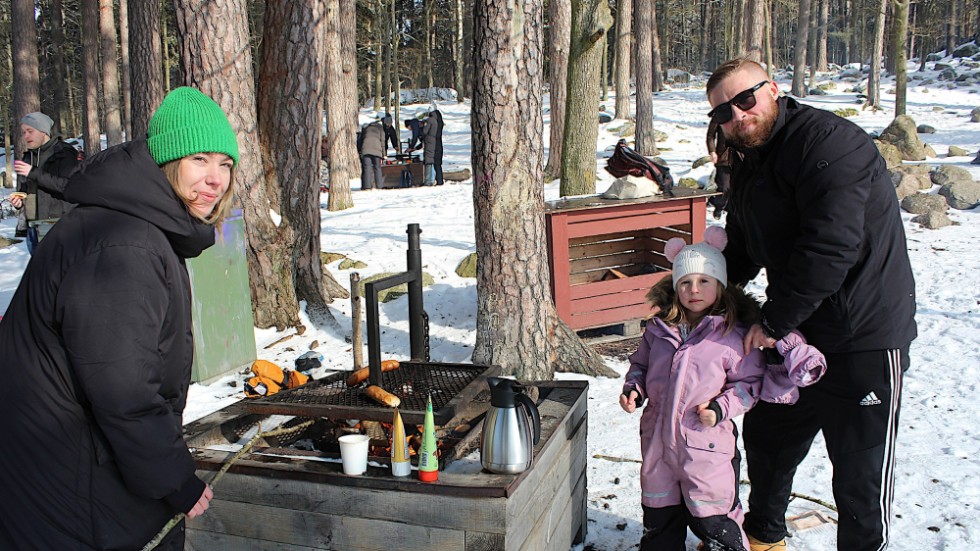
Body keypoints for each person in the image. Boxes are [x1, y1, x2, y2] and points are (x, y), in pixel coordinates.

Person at [0, 86, 239, 550]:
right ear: (168, 163)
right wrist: (175, 481)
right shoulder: (122, 244)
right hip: (69, 478)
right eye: (199, 160)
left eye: (225, 164)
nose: (216, 178)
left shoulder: (133, 227)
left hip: (78, 463)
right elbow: (122, 389)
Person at [705, 58, 917, 551]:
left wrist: (776, 320)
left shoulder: (828, 143)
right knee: (769, 442)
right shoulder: (749, 160)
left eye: (745, 99)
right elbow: (742, 246)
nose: (736, 115)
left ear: (773, 89)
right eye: (722, 113)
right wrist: (700, 293)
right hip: (798, 334)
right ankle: (764, 539)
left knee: (858, 473)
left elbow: (831, 246)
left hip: (862, 334)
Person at [620, 226, 767, 551]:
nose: (694, 289)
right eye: (685, 282)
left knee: (712, 522)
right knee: (660, 521)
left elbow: (750, 384)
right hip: (658, 446)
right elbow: (641, 366)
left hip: (706, 449)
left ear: (720, 285)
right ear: (675, 287)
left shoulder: (732, 336)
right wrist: (634, 388)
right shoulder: (659, 331)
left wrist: (721, 408)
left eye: (704, 281)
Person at [9, 111, 81, 254]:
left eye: (30, 131)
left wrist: (33, 172)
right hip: (32, 228)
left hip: (55, 225)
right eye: (23, 132)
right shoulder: (29, 156)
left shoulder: (63, 154)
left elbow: (66, 186)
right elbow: (29, 188)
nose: (26, 136)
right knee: (39, 274)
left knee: (57, 273)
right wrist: (20, 200)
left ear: (43, 131)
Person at [705, 119, 731, 219]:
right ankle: (717, 205)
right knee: (724, 187)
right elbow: (710, 135)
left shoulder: (743, 112)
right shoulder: (720, 113)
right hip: (723, 159)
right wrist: (712, 151)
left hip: (741, 159)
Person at [357, 112, 385, 190]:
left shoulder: (365, 128)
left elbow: (360, 140)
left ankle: (366, 186)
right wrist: (384, 154)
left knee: (367, 168)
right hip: (377, 150)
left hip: (365, 149)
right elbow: (382, 141)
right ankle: (379, 186)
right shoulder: (380, 128)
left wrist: (360, 151)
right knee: (377, 168)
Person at [422, 106, 444, 186]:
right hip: (438, 144)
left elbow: (425, 131)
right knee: (437, 164)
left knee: (429, 162)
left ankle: (428, 181)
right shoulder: (438, 121)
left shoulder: (430, 120)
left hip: (430, 144)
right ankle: (439, 180)